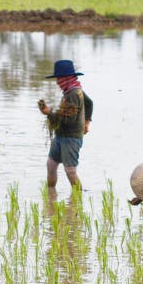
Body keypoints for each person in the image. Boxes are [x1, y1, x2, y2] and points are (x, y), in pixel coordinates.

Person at [38, 60, 93, 188]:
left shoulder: (73, 94)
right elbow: (89, 103)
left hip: (71, 138)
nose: (57, 82)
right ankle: (50, 196)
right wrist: (86, 122)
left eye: (59, 78)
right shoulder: (72, 90)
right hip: (60, 136)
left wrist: (49, 112)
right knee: (51, 165)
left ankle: (78, 199)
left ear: (66, 78)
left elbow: (69, 120)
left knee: (70, 171)